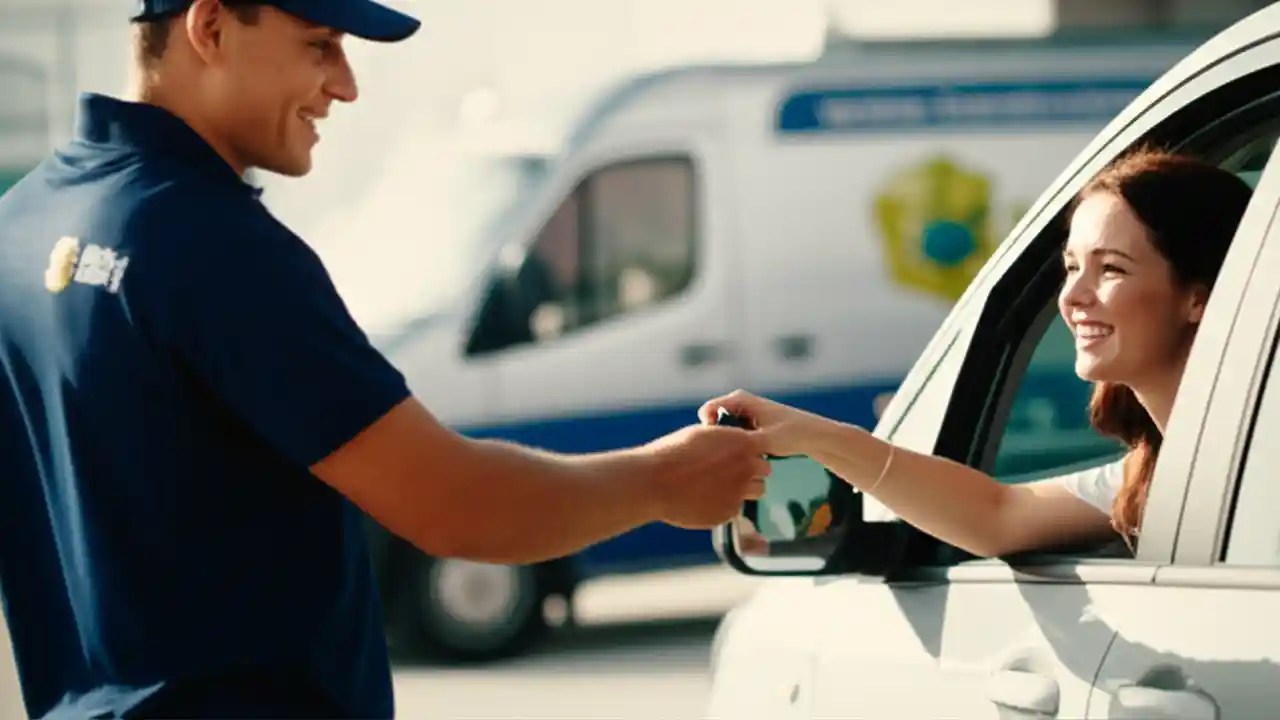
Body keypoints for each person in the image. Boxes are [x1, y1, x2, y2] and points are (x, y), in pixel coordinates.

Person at [0, 1, 770, 717]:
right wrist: (669, 481)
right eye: (321, 45)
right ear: (209, 28)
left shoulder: (23, 223)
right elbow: (455, 505)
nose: (346, 85)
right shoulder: (210, 244)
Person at [701, 147, 1254, 558]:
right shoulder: (1170, 468)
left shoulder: (1251, 463)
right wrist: (810, 435)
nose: (1072, 297)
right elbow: (997, 517)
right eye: (1070, 267)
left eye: (1110, 269)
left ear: (1199, 297)